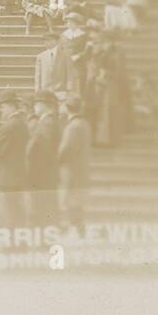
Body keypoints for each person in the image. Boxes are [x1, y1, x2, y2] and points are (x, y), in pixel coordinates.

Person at [0, 92, 28, 227]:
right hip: (17, 173)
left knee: (8, 211)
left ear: (11, 106)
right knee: (16, 209)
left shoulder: (9, 126)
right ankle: (18, 243)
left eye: (3, 107)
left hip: (7, 176)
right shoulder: (21, 123)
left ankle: (10, 244)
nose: (1, 110)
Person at [26, 91, 61, 226]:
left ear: (45, 105)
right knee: (46, 206)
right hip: (46, 172)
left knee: (44, 206)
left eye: (37, 104)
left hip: (43, 173)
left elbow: (43, 149)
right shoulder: (48, 121)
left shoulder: (47, 122)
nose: (35, 107)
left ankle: (45, 238)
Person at [57, 96, 92, 229]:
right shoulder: (85, 124)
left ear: (67, 108)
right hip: (82, 167)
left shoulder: (72, 127)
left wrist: (56, 160)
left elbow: (65, 149)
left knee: (70, 199)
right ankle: (78, 225)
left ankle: (75, 226)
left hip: (71, 169)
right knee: (77, 200)